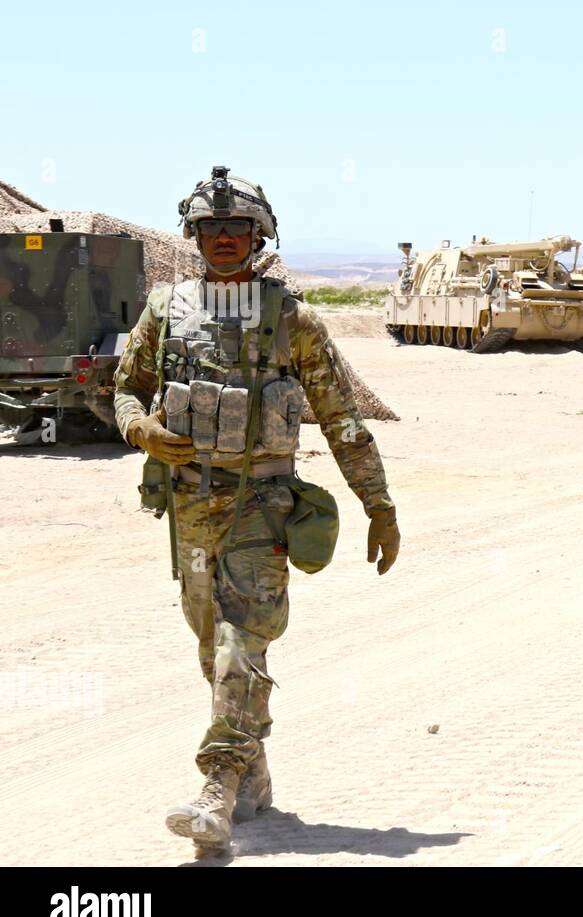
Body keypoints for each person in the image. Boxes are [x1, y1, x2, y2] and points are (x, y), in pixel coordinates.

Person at [113, 167, 401, 856]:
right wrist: (140, 430)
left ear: (258, 235)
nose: (221, 239)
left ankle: (217, 787)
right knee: (215, 653)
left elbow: (341, 419)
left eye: (235, 228)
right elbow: (127, 389)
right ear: (193, 234)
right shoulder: (164, 310)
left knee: (245, 644)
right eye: (210, 228)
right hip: (188, 509)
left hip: (260, 509)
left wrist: (379, 504)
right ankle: (253, 772)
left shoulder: (292, 320)